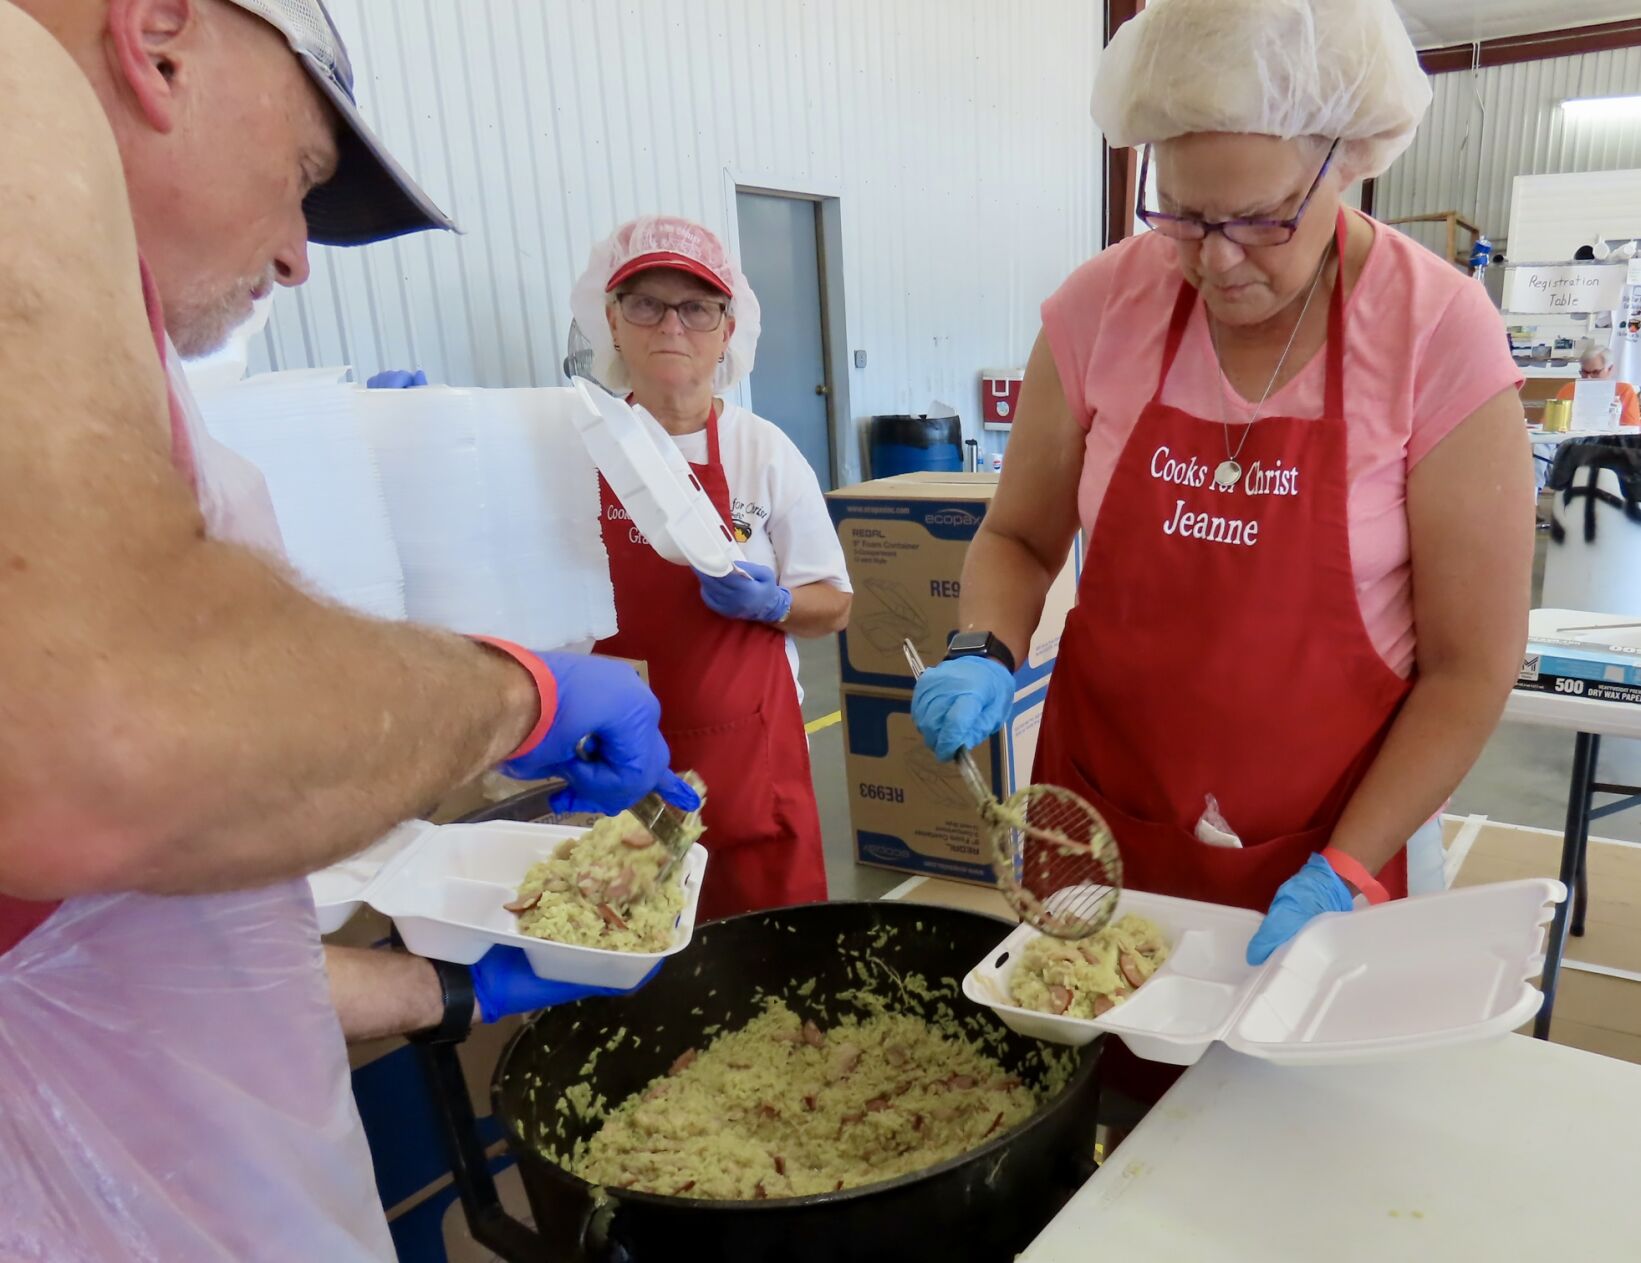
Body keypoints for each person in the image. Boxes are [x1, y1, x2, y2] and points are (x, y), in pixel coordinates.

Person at [0, 1, 695, 1257]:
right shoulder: (11, 86)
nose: (297, 257)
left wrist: (444, 993)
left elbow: (142, 945)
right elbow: (114, 749)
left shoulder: (123, 397)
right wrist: (513, 694)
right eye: (303, 182)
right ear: (158, 42)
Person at [910, 0, 1532, 1096]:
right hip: (1109, 820)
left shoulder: (1435, 332)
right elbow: (1018, 533)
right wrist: (982, 646)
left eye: (1260, 219)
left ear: (1345, 161)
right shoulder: (1101, 308)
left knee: (1296, 1141)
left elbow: (1471, 664)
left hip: (1328, 833)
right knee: (1096, 1118)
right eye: (1184, 215)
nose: (1217, 261)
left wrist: (1346, 863)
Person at [571, 216, 852, 920]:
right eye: (646, 303)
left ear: (727, 330)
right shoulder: (572, 449)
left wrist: (775, 604)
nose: (672, 325)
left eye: (697, 308)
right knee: (639, 955)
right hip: (619, 762)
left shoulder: (765, 450)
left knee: (772, 953)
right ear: (611, 321)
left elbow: (835, 603)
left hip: (752, 764)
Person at [1556, 344, 1641, 428]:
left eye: (1595, 372)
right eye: (1584, 372)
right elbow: (1551, 424)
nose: (1588, 378)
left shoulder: (1624, 391)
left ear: (1610, 369)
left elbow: (1632, 429)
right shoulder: (1570, 389)